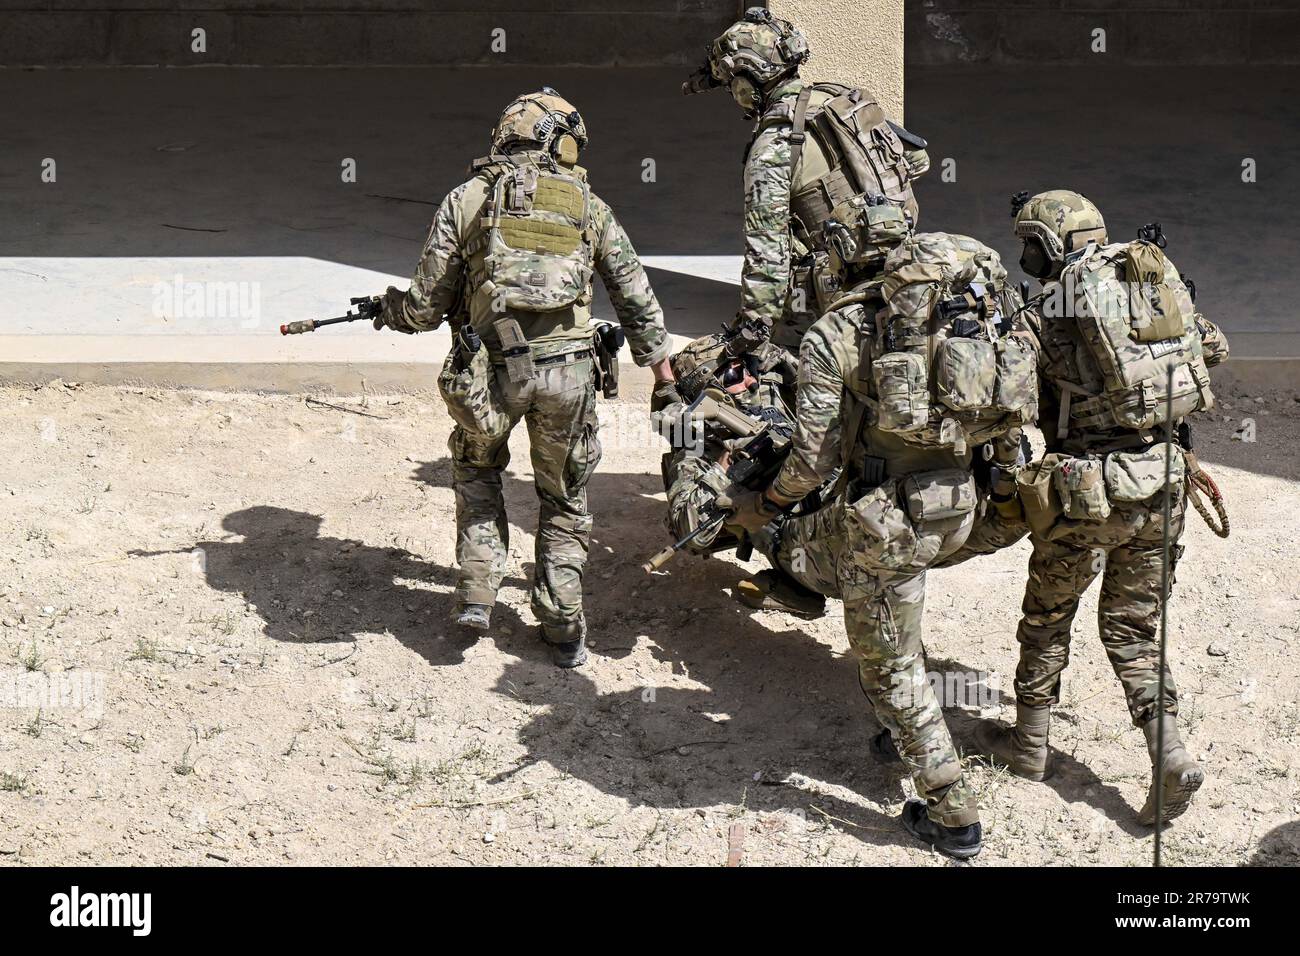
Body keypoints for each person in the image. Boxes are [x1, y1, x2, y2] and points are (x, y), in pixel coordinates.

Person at [718, 195, 1038, 858]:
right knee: (895, 618)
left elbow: (810, 462)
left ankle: (953, 812)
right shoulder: (966, 314)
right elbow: (1007, 429)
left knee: (888, 658)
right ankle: (897, 733)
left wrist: (765, 508)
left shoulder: (838, 334)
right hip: (960, 511)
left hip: (885, 529)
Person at [374, 88, 676, 668]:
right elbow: (636, 297)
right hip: (569, 376)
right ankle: (562, 625)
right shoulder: (589, 206)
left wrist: (389, 310)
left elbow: (423, 308)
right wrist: (662, 375)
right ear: (563, 143)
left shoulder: (466, 199)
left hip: (490, 373)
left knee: (476, 467)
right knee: (563, 495)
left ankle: (478, 593)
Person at [973, 190, 1230, 825]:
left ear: (1053, 244)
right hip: (1164, 484)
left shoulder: (1049, 315)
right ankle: (1170, 754)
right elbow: (1213, 348)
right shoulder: (1148, 284)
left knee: (1047, 618)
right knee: (1134, 630)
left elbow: (1006, 396)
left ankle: (1029, 746)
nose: (1025, 255)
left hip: (1084, 496)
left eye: (1029, 243)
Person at [683, 6, 929, 351]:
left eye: (731, 86)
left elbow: (767, 257)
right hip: (903, 267)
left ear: (746, 84)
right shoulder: (840, 99)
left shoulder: (774, 146)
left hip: (839, 296)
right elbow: (918, 160)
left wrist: (752, 337)